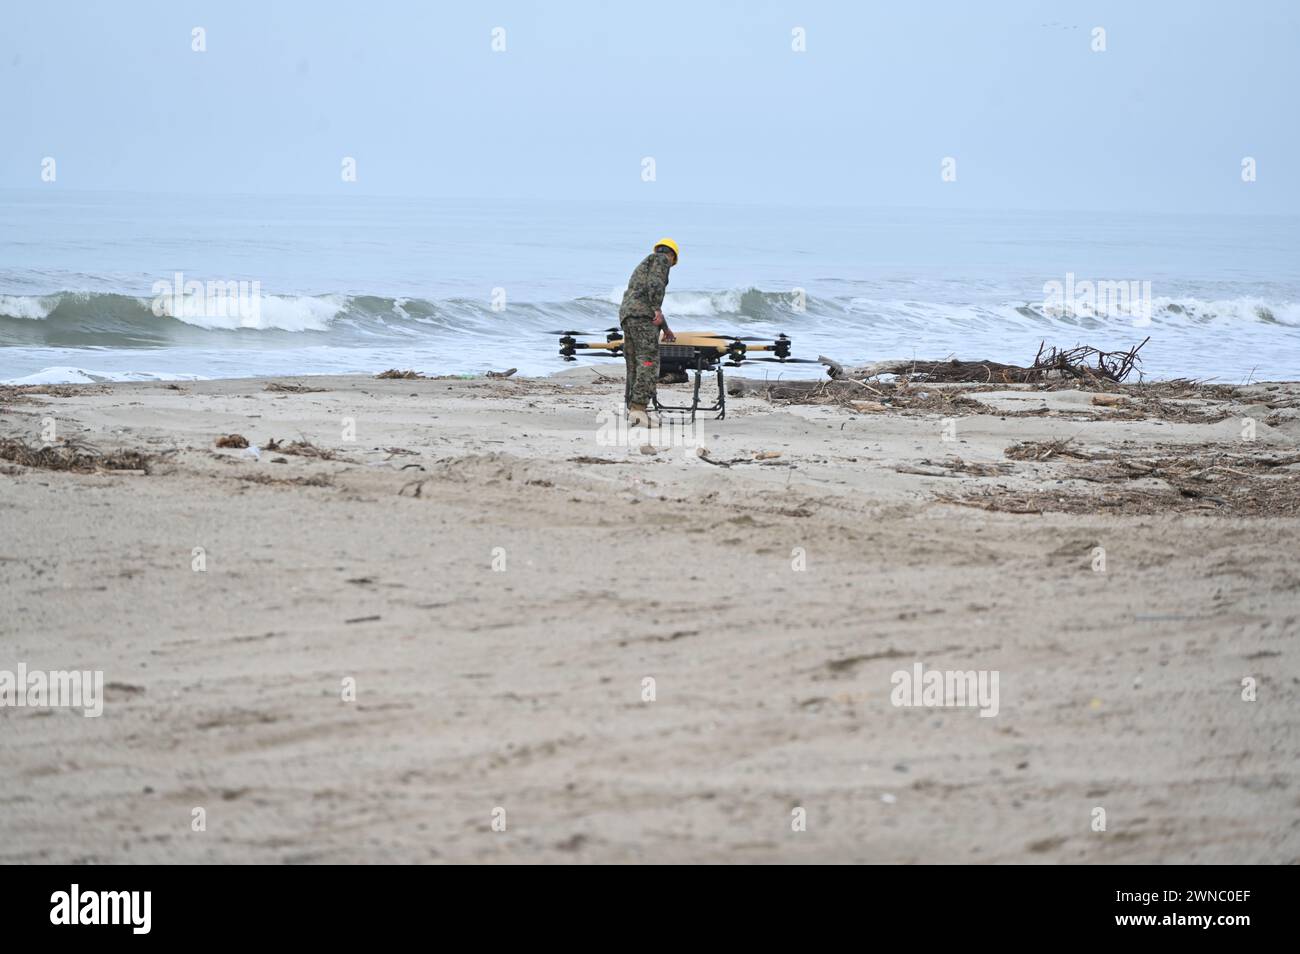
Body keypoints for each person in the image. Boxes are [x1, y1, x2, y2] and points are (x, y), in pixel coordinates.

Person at [618, 238, 679, 426]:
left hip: (628, 316)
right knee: (648, 361)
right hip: (642, 318)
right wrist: (657, 308)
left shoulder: (645, 263)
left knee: (634, 363)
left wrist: (665, 329)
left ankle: (632, 408)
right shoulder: (661, 260)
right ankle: (638, 409)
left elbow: (643, 300)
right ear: (672, 256)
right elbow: (655, 286)